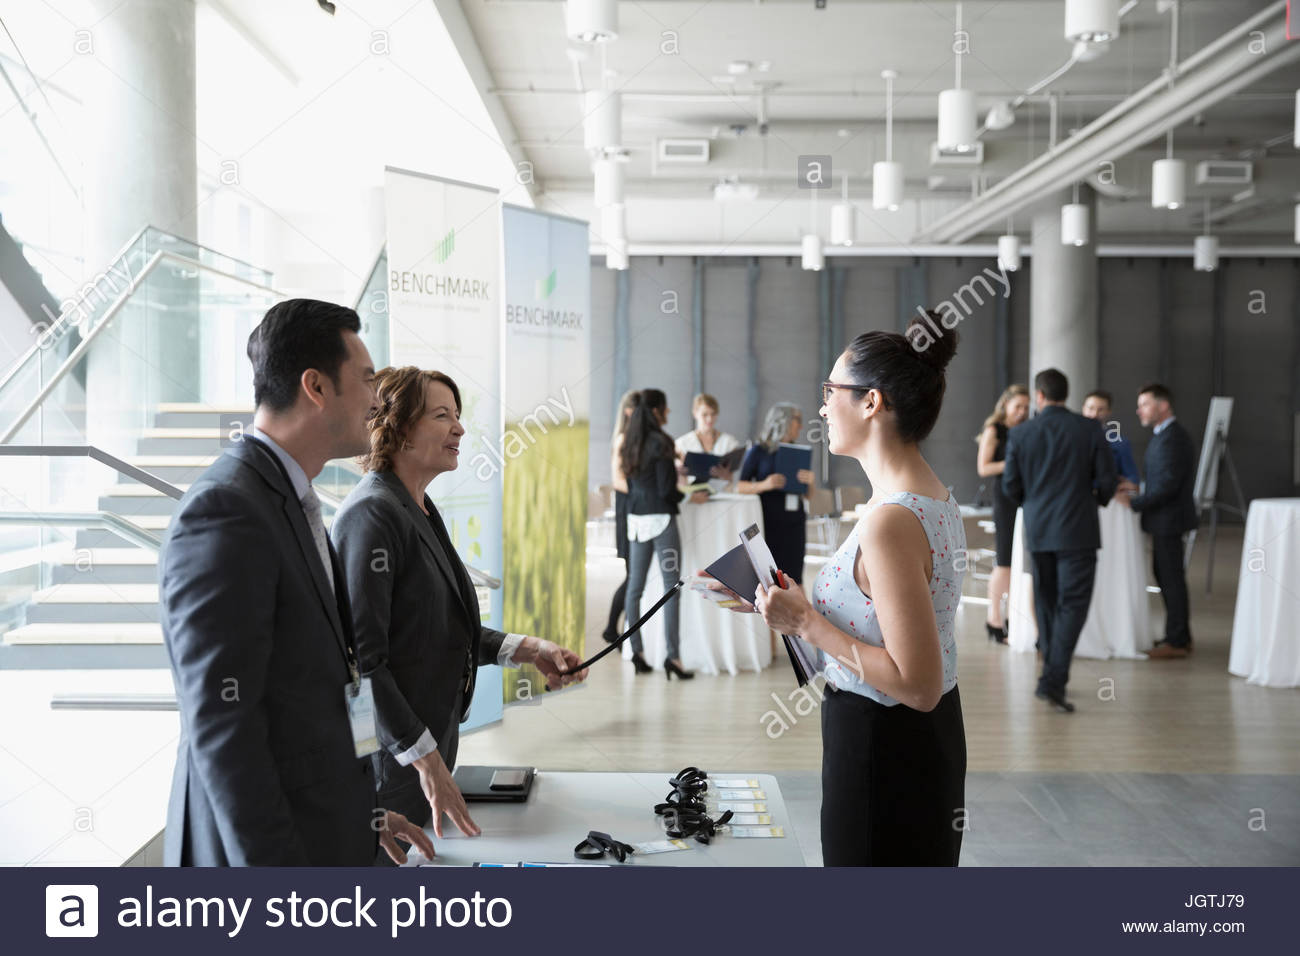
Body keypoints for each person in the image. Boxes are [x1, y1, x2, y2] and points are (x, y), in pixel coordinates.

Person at [159, 298, 432, 866]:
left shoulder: (292, 498)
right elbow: (225, 727)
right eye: (366, 379)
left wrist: (363, 813)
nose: (378, 398)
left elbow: (316, 696)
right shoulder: (227, 509)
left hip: (322, 830)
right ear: (316, 387)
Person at [733, 314, 968, 865]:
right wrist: (795, 605)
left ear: (871, 402)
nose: (820, 407)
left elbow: (918, 684)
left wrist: (806, 624)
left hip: (884, 746)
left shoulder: (890, 520)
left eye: (829, 390)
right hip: (913, 741)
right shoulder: (927, 496)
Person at [331, 366, 586, 843]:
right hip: (393, 766)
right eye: (442, 415)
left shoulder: (418, 506)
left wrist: (528, 649)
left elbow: (438, 628)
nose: (460, 428)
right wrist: (424, 759)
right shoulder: (372, 515)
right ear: (398, 427)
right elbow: (365, 664)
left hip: (424, 755)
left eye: (458, 415)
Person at [1002, 368, 1117, 713]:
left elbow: (1010, 486)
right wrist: (1092, 499)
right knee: (1073, 605)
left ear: (1039, 395)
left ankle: (1051, 674)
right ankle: (1053, 678)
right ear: (1067, 395)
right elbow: (1108, 480)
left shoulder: (1022, 434)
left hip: (1039, 531)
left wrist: (1033, 503)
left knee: (1047, 602)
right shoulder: (1089, 428)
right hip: (1079, 531)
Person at [622, 388, 698, 678]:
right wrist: (690, 495)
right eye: (666, 409)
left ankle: (637, 652)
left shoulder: (629, 441)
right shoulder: (662, 442)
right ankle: (673, 658)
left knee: (634, 589)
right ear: (657, 411)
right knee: (671, 589)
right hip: (662, 522)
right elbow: (668, 490)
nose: (668, 413)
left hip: (637, 521)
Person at [1126, 383, 1198, 659]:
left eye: (1145, 404)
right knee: (1166, 576)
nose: (1139, 410)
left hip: (1169, 520)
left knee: (1171, 579)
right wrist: (1135, 491)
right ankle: (1177, 636)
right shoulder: (1162, 435)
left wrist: (1133, 502)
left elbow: (1167, 485)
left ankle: (1178, 641)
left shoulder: (1174, 438)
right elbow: (1158, 480)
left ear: (1163, 405)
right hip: (1162, 520)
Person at [736, 403, 817, 585]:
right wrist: (765, 484)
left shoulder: (798, 453)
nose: (801, 426)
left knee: (795, 577)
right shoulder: (758, 451)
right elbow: (740, 486)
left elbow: (808, 496)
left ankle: (795, 611)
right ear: (785, 421)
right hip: (769, 523)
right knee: (772, 577)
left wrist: (811, 483)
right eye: (798, 421)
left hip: (795, 522)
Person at [975, 384, 1029, 643]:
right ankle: (993, 618)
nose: (1022, 411)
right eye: (1018, 406)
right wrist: (1012, 463)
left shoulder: (1026, 429)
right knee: (1005, 560)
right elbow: (983, 467)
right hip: (1004, 499)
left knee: (1017, 560)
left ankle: (1008, 617)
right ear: (1005, 405)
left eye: (1026, 407)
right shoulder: (994, 429)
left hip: (1023, 497)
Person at [603, 390, 638, 643]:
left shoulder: (635, 438)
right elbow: (619, 480)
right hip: (629, 509)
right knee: (632, 575)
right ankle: (611, 628)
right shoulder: (623, 439)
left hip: (636, 507)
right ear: (629, 411)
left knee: (634, 575)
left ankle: (619, 628)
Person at [675, 393, 742, 491]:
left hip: (722, 495)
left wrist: (725, 475)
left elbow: (731, 478)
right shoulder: (682, 443)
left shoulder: (729, 442)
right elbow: (680, 481)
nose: (709, 419)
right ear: (695, 413)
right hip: (694, 497)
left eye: (713, 414)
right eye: (705, 414)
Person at [1082, 389, 1140, 484]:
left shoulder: (1120, 443)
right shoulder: (1070, 438)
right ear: (1083, 409)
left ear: (1108, 412)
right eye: (1090, 408)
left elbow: (1132, 477)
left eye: (1100, 409)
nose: (1094, 414)